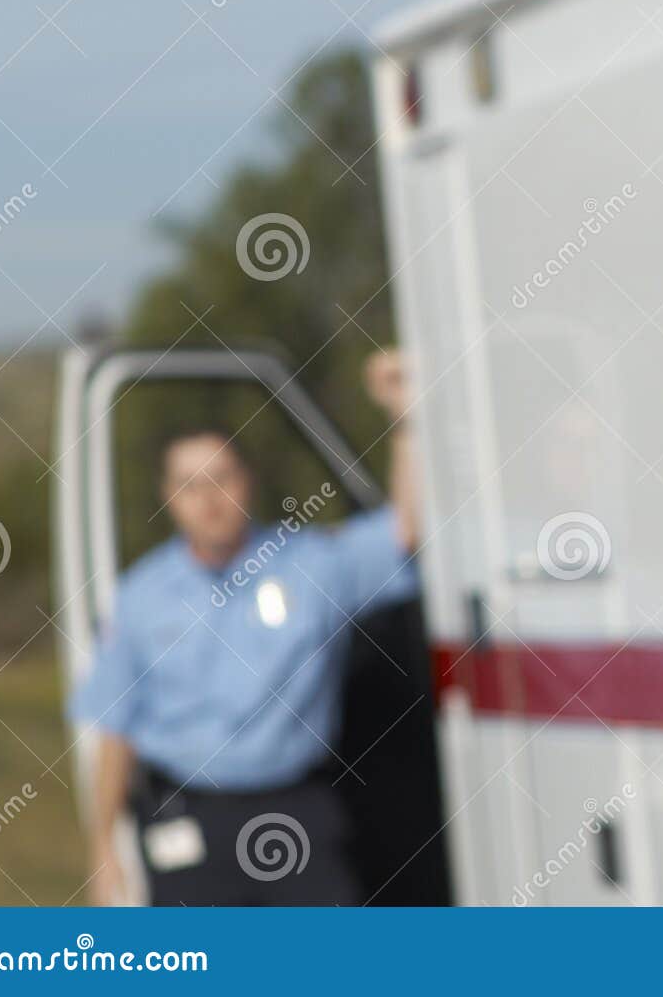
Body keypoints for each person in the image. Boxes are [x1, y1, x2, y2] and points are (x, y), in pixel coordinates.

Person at [69, 350, 420, 905]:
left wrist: (406, 421)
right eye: (190, 484)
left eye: (222, 477)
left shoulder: (311, 564)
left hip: (297, 811)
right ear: (168, 496)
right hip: (188, 819)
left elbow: (405, 533)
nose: (209, 499)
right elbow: (116, 728)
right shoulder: (140, 596)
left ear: (247, 482)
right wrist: (102, 847)